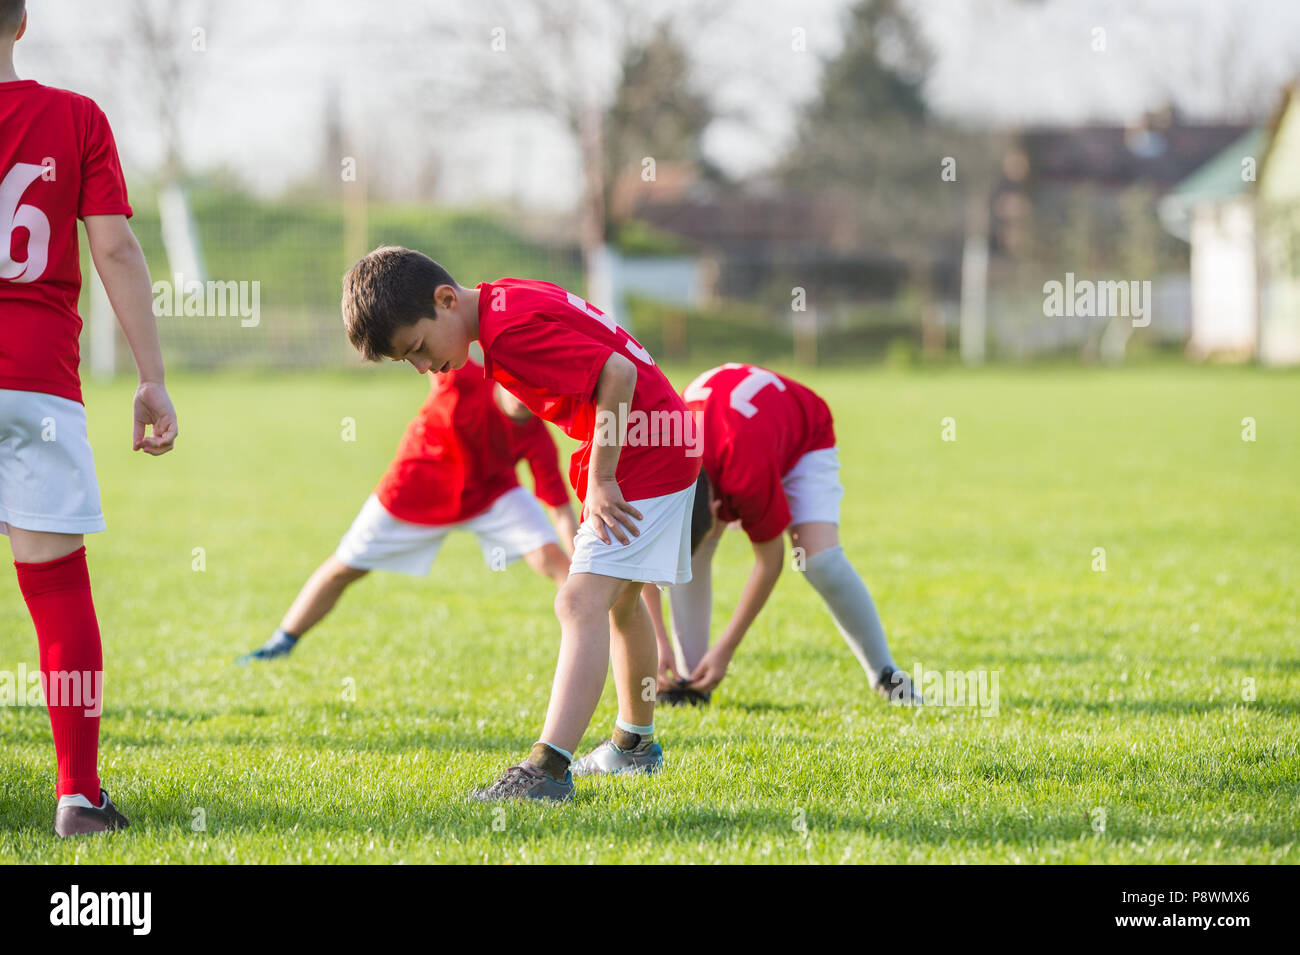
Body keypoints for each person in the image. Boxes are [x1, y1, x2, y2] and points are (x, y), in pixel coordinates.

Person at [341, 248, 700, 800]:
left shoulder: (506, 333)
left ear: (444, 300)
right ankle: (634, 745)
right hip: (656, 442)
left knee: (579, 603)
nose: (423, 368)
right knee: (621, 600)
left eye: (418, 348)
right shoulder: (500, 302)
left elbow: (617, 372)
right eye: (406, 362)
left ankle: (547, 770)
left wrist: (603, 476)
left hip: (642, 455)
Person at [0, 0, 179, 836]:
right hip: (35, 386)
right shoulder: (74, 118)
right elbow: (113, 247)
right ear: (21, 23)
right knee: (57, 587)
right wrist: (151, 378)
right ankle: (77, 793)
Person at [240, 359, 577, 663]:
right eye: (518, 382)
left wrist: (589, 570)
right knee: (345, 567)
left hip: (490, 492)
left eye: (535, 387)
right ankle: (279, 643)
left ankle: (591, 630)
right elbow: (420, 344)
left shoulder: (538, 439)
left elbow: (560, 512)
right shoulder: (462, 379)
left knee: (555, 561)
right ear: (503, 376)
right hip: (414, 487)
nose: (523, 393)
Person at [647, 363, 920, 705]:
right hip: (729, 429)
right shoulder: (659, 458)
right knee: (691, 546)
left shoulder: (746, 472)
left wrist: (726, 649)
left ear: (720, 505)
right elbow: (649, 550)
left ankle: (885, 673)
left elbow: (769, 562)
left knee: (818, 560)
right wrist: (657, 642)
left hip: (800, 433)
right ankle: (689, 682)